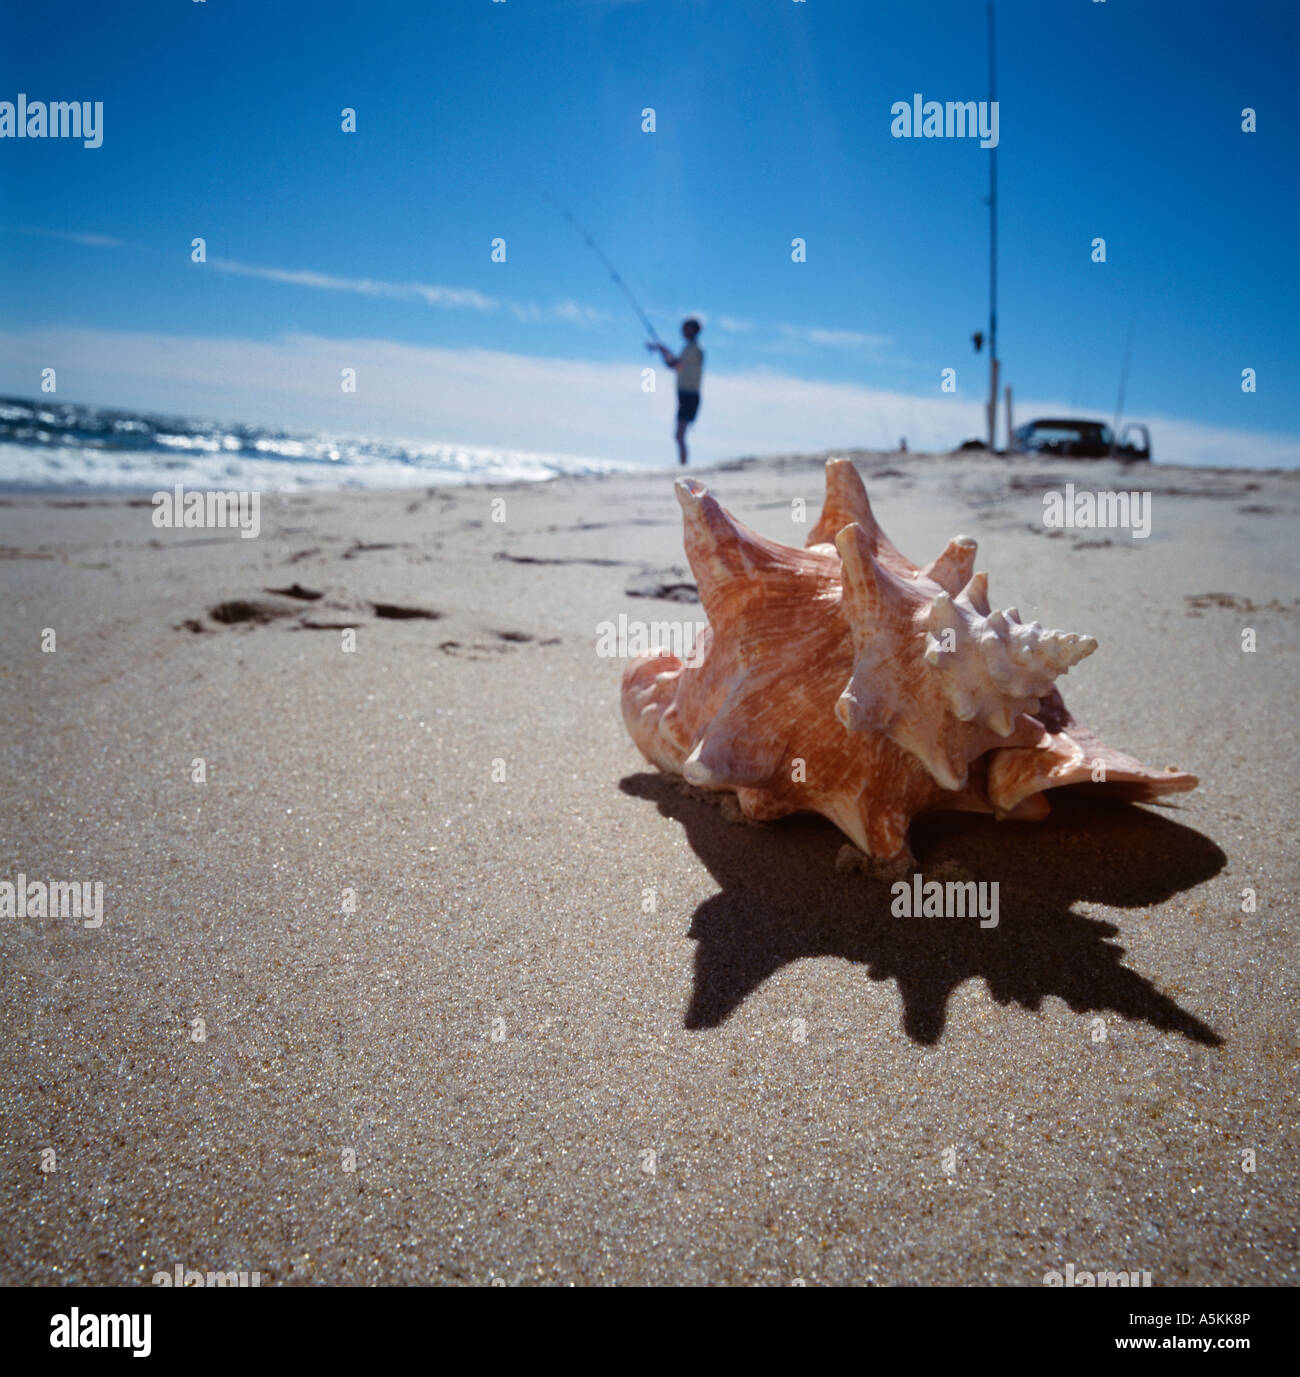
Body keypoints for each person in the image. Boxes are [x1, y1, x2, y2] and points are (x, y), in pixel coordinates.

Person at [648, 318, 704, 466]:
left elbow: (673, 364)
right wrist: (663, 349)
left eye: (685, 328)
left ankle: (683, 466)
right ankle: (683, 465)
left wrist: (662, 350)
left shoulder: (692, 349)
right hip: (687, 395)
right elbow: (676, 362)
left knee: (679, 435)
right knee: (680, 435)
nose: (682, 330)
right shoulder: (692, 348)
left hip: (688, 395)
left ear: (692, 330)